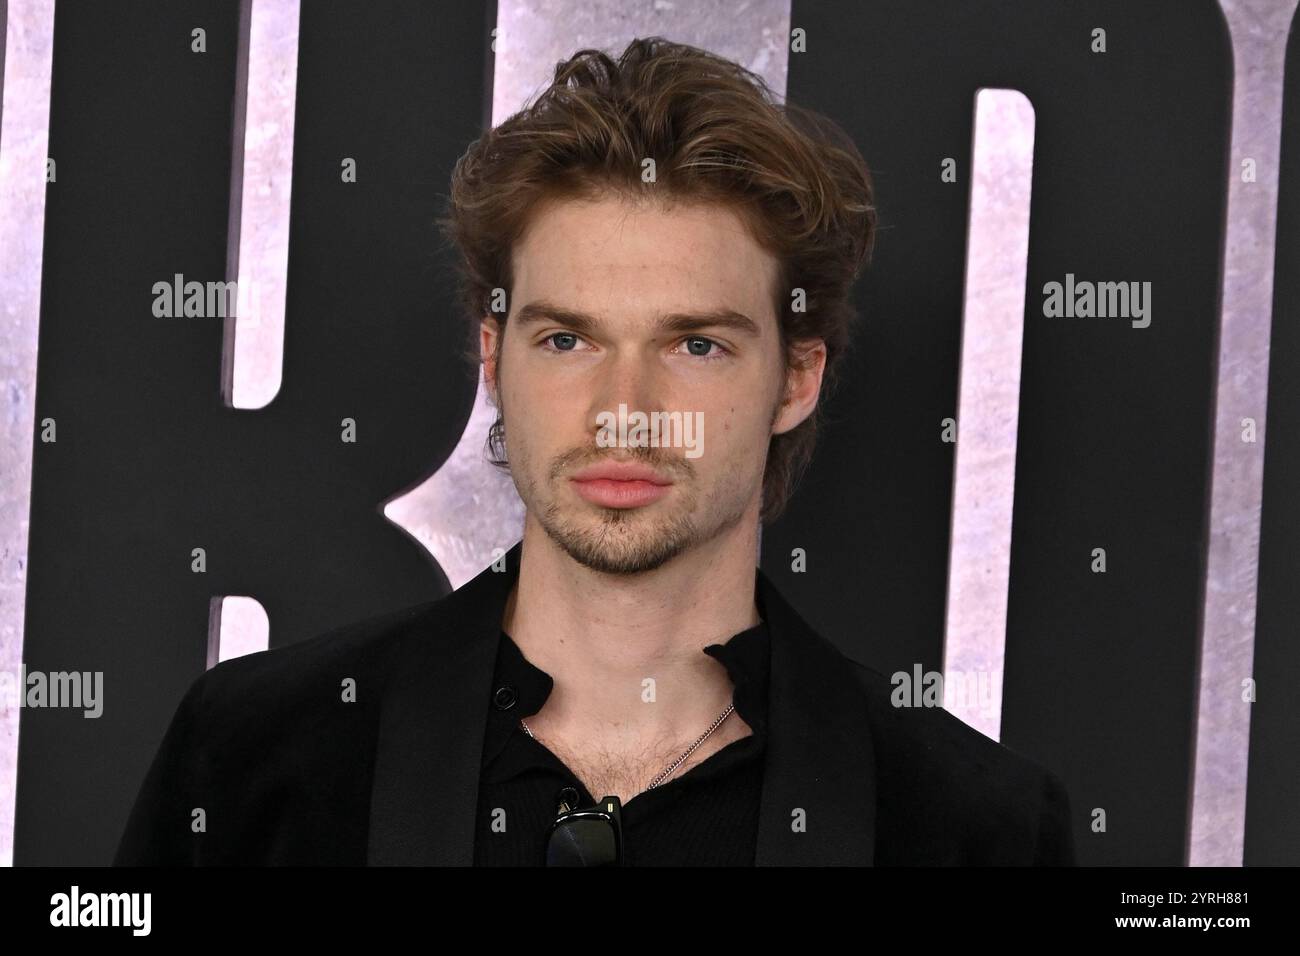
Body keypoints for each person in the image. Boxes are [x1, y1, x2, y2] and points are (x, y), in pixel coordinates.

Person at [114, 37, 1075, 867]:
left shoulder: (972, 829)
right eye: (568, 340)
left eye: (696, 345)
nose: (625, 410)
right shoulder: (249, 761)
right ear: (494, 360)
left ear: (796, 378)